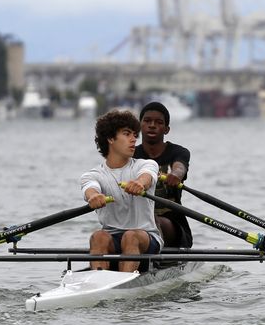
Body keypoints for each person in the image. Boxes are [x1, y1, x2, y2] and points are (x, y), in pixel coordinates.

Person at [79, 109, 162, 272]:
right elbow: (90, 189)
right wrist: (94, 197)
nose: (134, 140)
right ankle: (98, 281)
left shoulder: (146, 165)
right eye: (127, 134)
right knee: (98, 237)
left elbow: (147, 177)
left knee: (130, 236)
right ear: (110, 138)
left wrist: (139, 183)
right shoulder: (91, 175)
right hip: (111, 239)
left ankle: (124, 288)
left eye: (134, 135)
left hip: (146, 239)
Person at [133, 101, 194, 249]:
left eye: (158, 122)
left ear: (166, 129)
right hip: (135, 222)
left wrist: (175, 174)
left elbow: (180, 166)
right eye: (147, 121)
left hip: (173, 224)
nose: (152, 125)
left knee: (153, 220)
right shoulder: (131, 155)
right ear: (140, 126)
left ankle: (155, 260)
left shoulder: (178, 152)